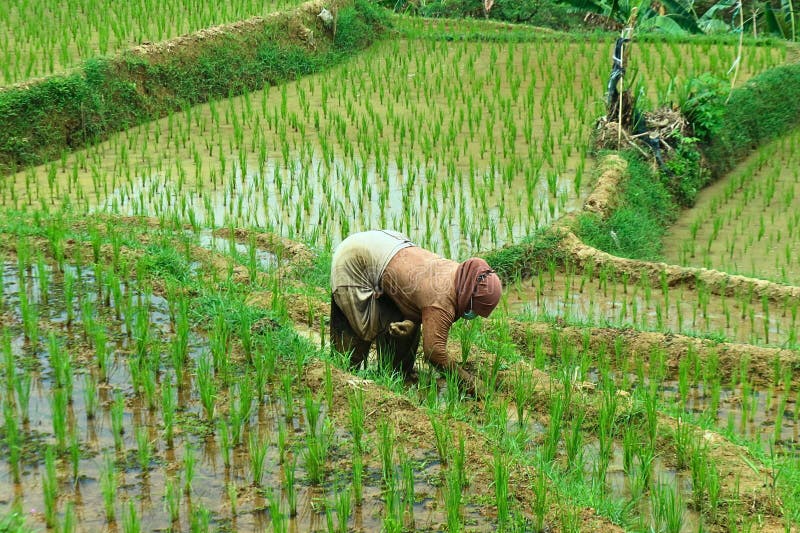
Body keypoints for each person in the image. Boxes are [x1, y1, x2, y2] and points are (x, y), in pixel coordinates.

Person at [329, 229, 502, 393]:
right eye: (473, 309)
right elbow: (434, 353)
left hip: (386, 245)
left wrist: (410, 321)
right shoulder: (442, 298)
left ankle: (394, 375)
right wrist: (469, 382)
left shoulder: (459, 274)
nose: (472, 314)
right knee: (359, 335)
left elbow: (415, 295)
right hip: (355, 260)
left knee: (403, 330)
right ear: (469, 299)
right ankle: (344, 376)